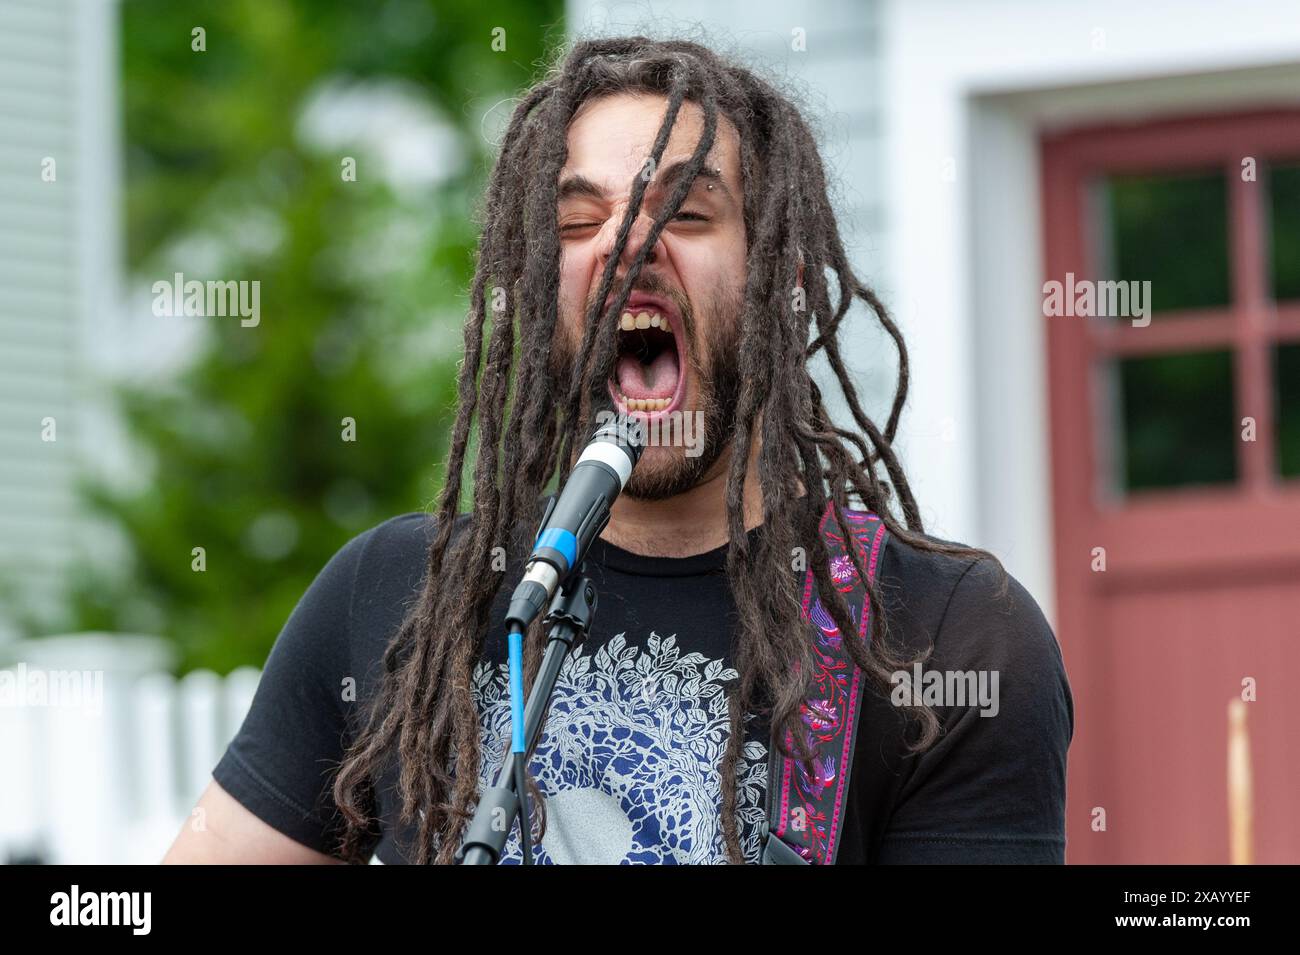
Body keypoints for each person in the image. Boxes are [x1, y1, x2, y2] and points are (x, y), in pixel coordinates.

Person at [163, 36, 1073, 866]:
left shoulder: (948, 640)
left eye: (683, 210)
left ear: (781, 286)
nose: (625, 242)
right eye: (574, 222)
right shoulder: (398, 595)